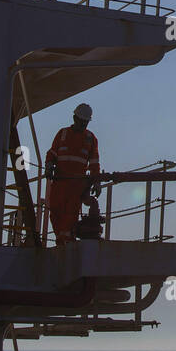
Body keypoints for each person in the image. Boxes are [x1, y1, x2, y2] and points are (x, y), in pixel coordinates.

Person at [45, 103, 101, 245]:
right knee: (55, 212)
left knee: (70, 216)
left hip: (76, 186)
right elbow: (52, 153)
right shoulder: (62, 134)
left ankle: (66, 242)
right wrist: (49, 165)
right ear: (74, 118)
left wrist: (96, 181)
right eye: (81, 121)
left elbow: (94, 162)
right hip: (60, 183)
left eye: (86, 122)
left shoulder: (90, 138)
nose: (83, 124)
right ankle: (62, 240)